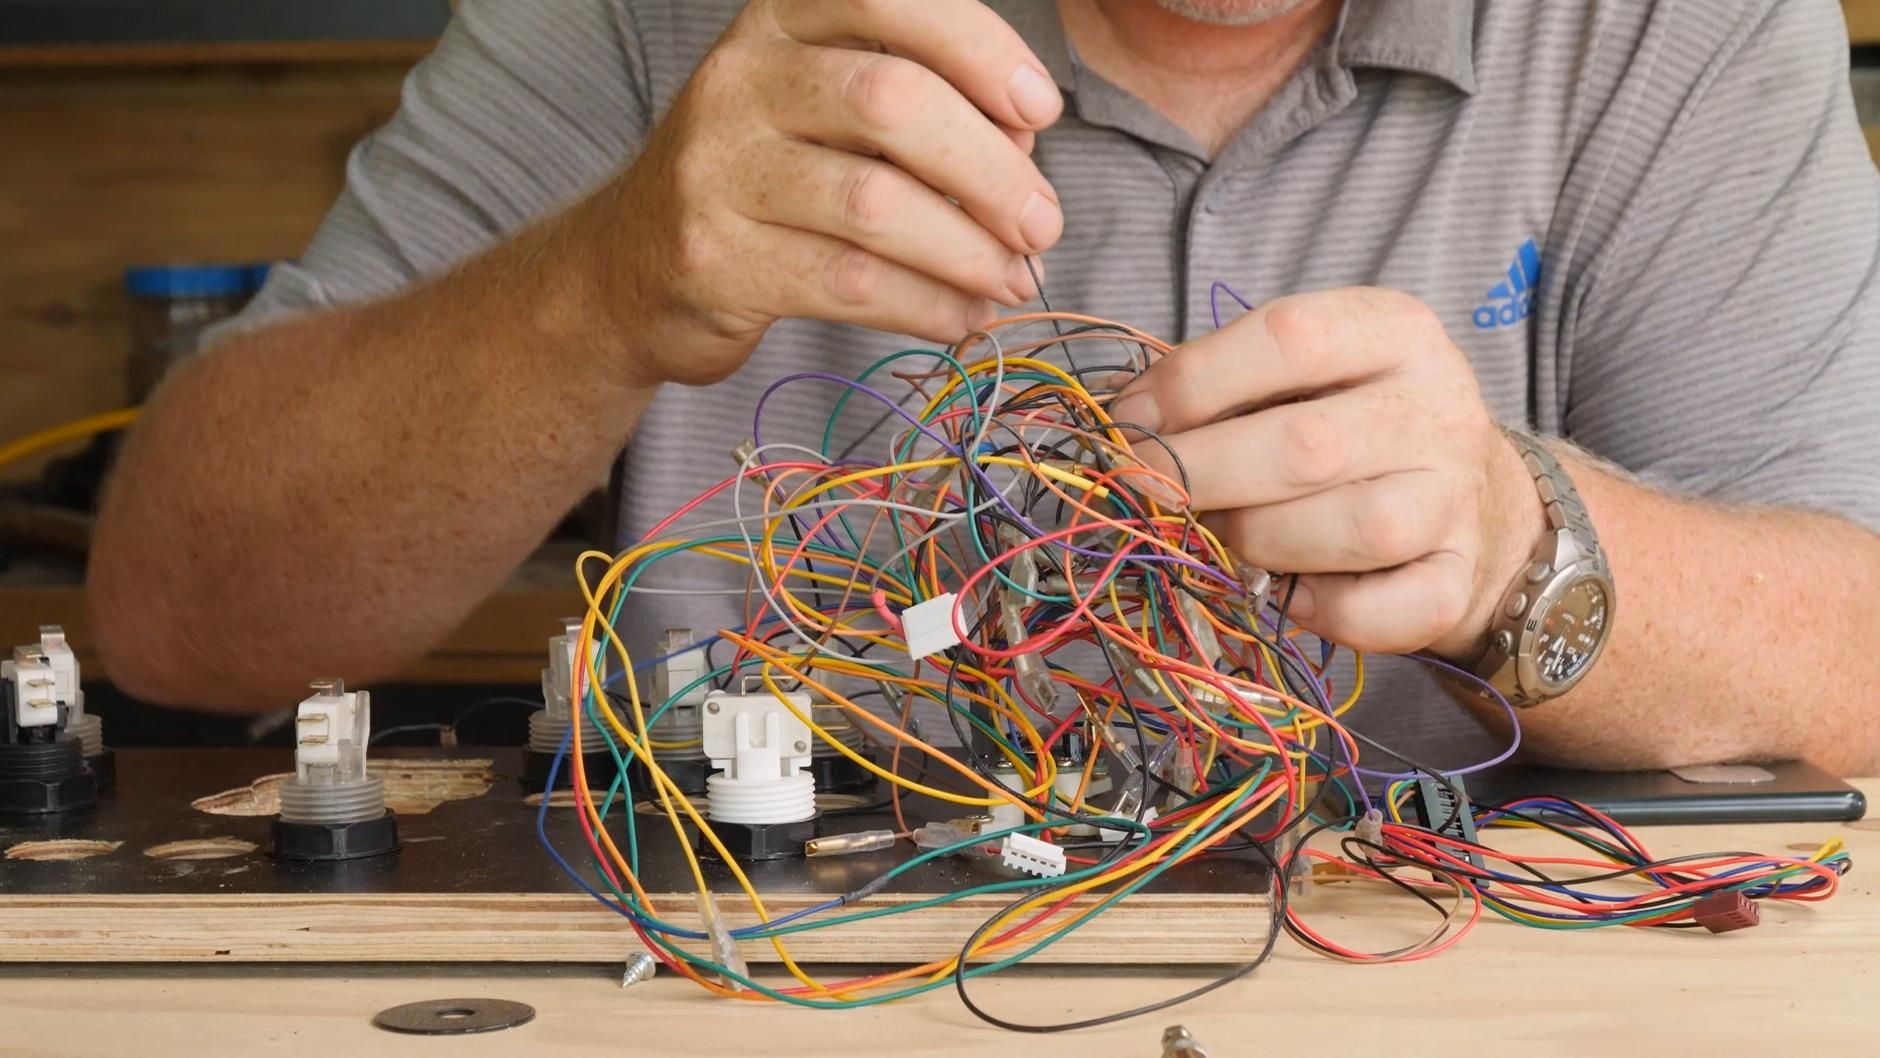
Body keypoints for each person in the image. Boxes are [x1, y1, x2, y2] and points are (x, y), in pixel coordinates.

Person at [87, 0, 1880, 772]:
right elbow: (177, 611)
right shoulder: (671, 19)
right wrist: (608, 281)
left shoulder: (1673, 25)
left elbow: (1855, 662)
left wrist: (1525, 549)